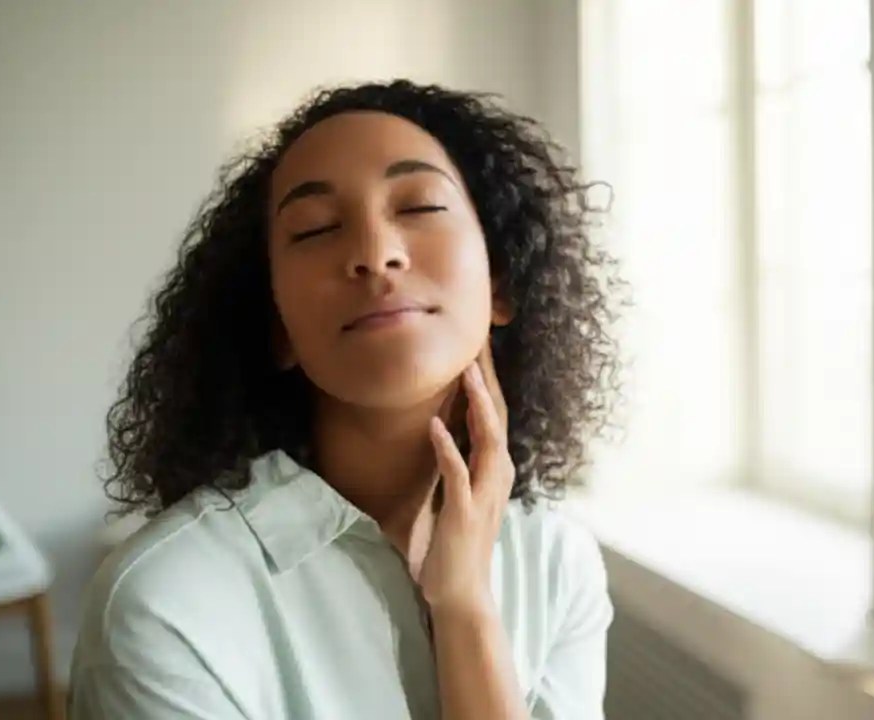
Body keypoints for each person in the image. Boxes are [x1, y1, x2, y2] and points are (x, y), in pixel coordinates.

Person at [67, 79, 625, 719]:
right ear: (278, 328)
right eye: (315, 229)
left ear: (501, 282)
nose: (374, 253)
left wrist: (465, 603)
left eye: (418, 206)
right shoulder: (167, 602)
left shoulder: (556, 561)